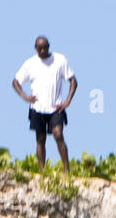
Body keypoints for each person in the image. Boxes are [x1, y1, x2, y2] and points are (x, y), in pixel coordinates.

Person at [12, 36, 77, 174]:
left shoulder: (59, 60)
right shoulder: (30, 63)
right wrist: (24, 96)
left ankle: (66, 170)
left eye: (45, 47)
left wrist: (67, 101)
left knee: (58, 134)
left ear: (49, 46)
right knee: (40, 139)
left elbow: (73, 81)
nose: (42, 50)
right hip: (38, 107)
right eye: (39, 48)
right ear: (35, 48)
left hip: (56, 107)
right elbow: (15, 81)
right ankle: (43, 172)